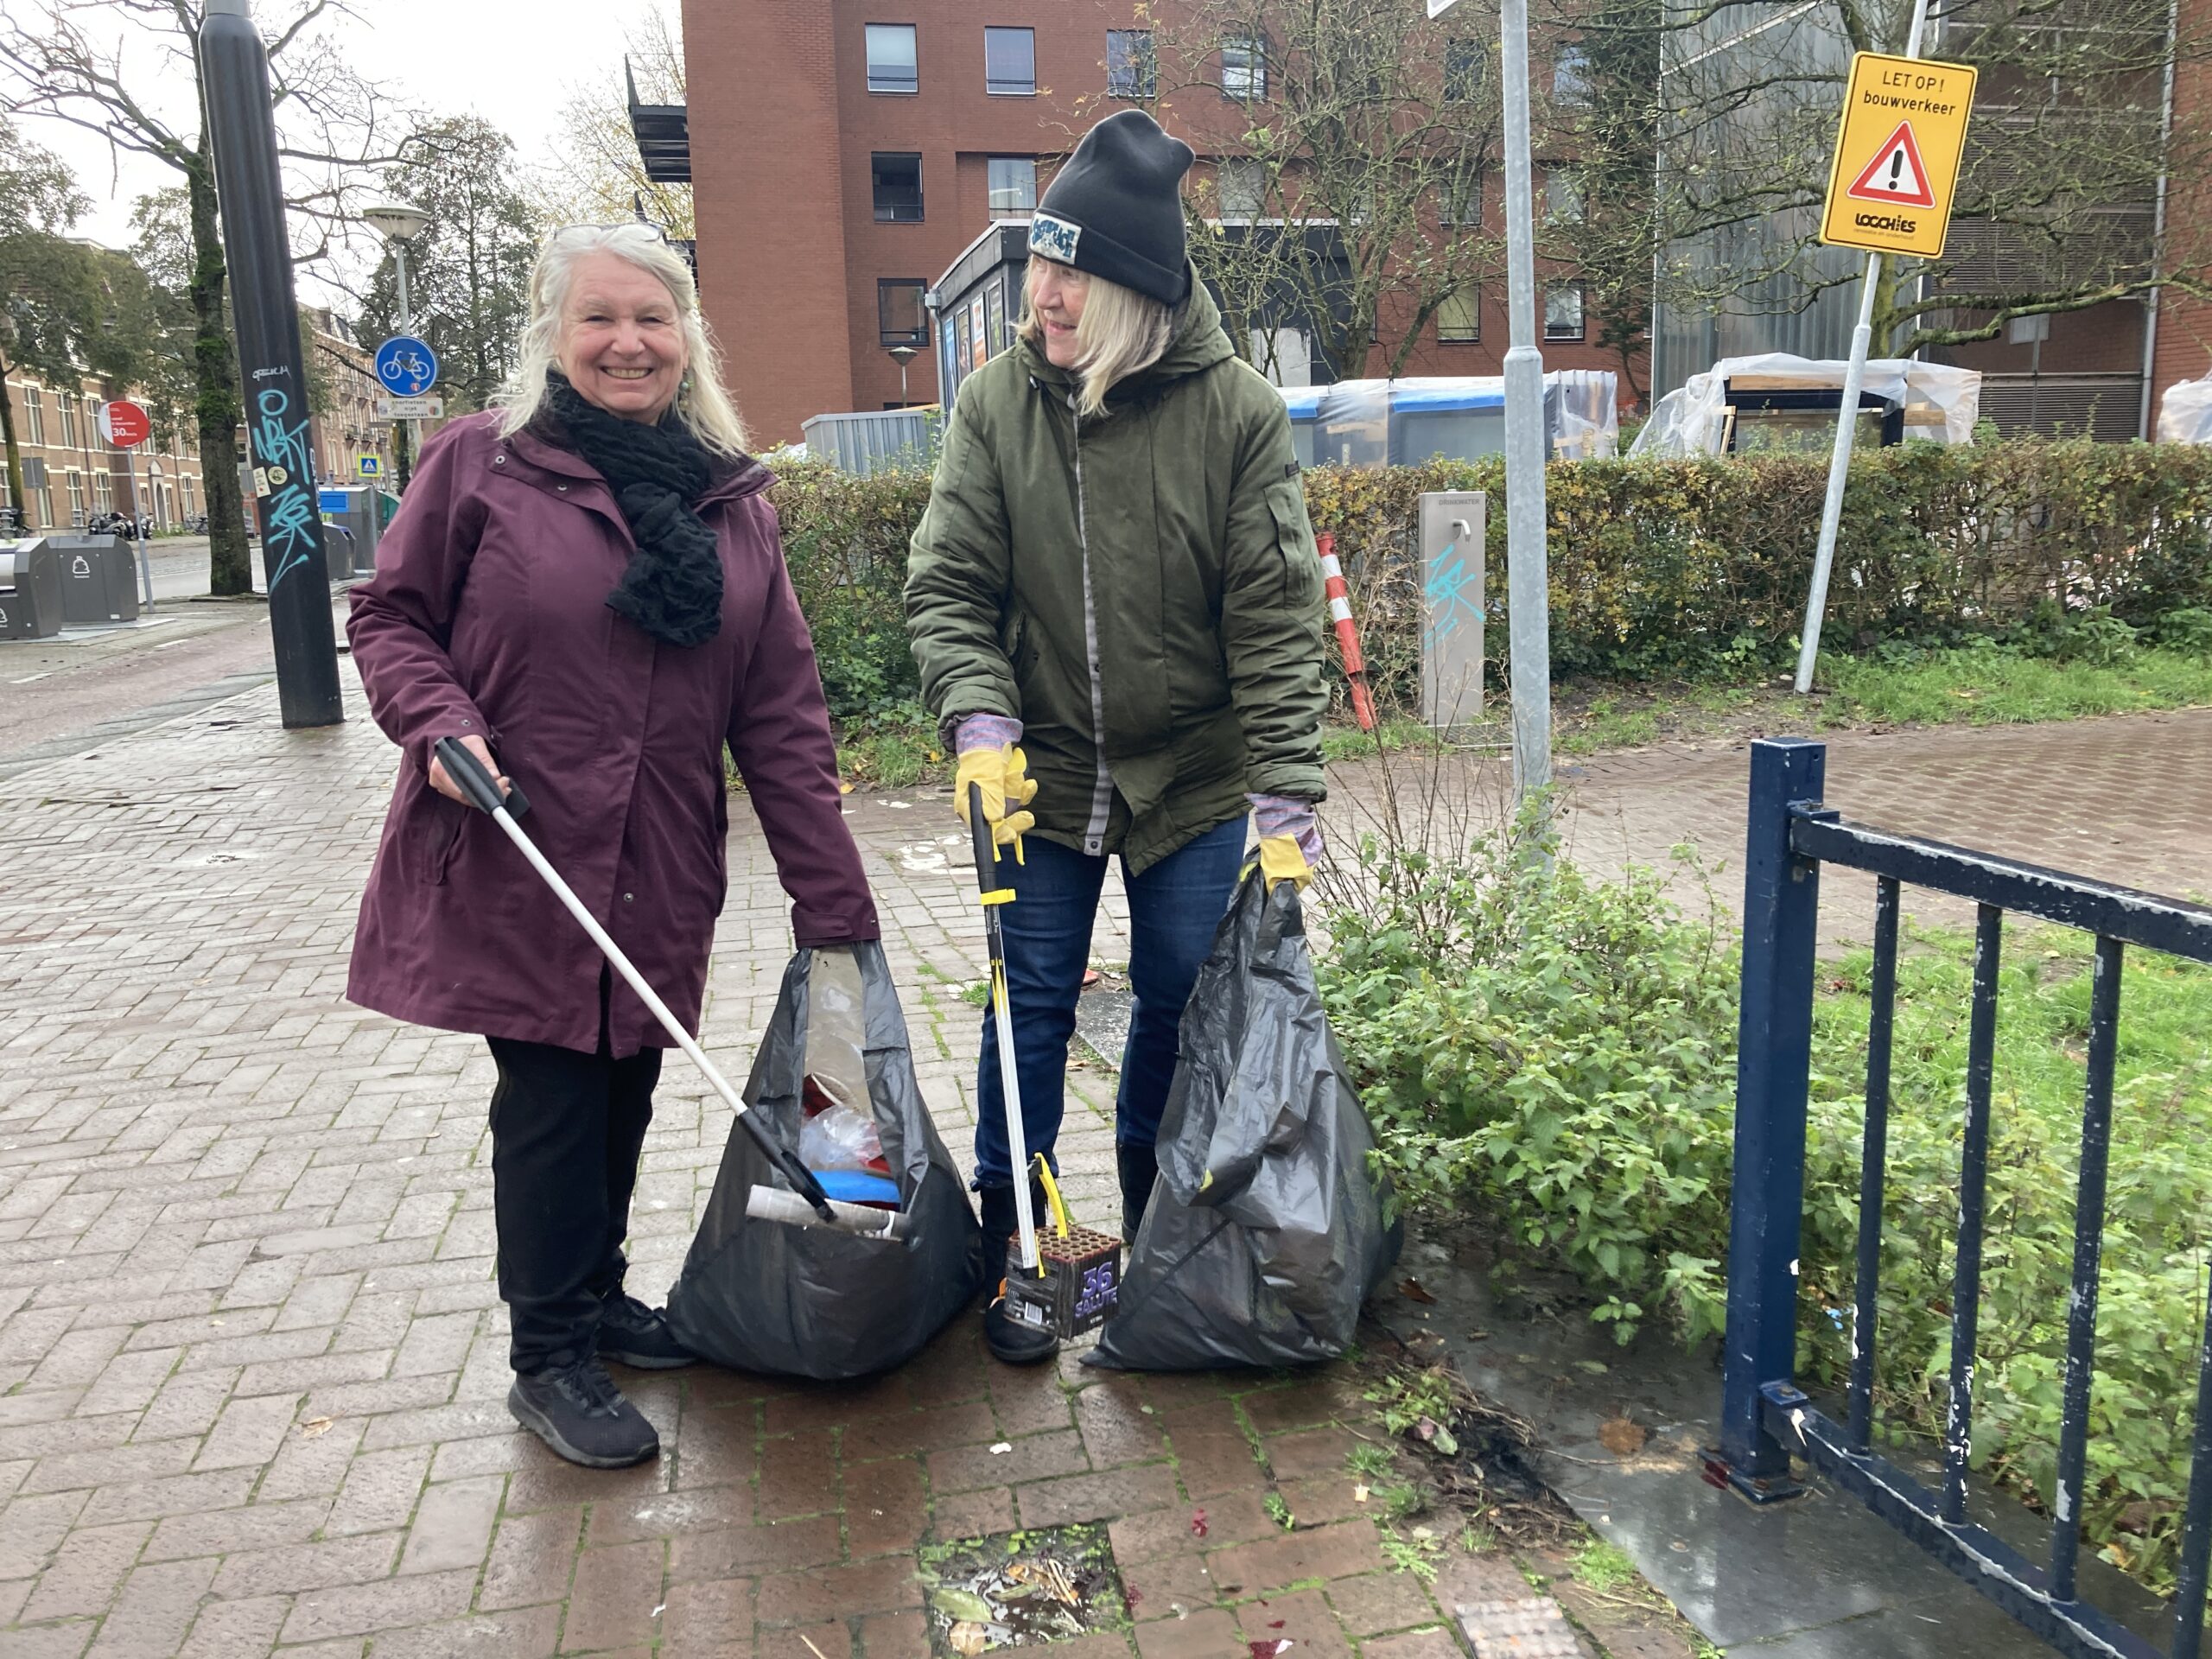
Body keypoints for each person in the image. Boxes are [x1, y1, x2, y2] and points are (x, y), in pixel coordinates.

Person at [347, 222, 879, 1466]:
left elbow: (781, 714)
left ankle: (597, 1298)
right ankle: (549, 1358)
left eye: (652, 318)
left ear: (689, 336)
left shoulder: (731, 503)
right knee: (553, 1096)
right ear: (554, 333)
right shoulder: (484, 463)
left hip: (660, 859)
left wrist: (834, 903)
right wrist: (437, 720)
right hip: (519, 849)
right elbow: (390, 619)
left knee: (628, 1080)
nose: (627, 342)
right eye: (599, 318)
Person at [905, 111, 1328, 1365]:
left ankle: (1159, 1234)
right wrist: (979, 719)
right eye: (1039, 265)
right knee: (1027, 1003)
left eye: (1069, 275)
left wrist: (1286, 797)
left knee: (1181, 1004)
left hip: (1190, 780)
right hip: (1037, 772)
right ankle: (1013, 1245)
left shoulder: (1237, 414)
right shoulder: (998, 404)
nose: (1041, 295)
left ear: (1136, 296)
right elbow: (950, 584)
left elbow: (1275, 618)